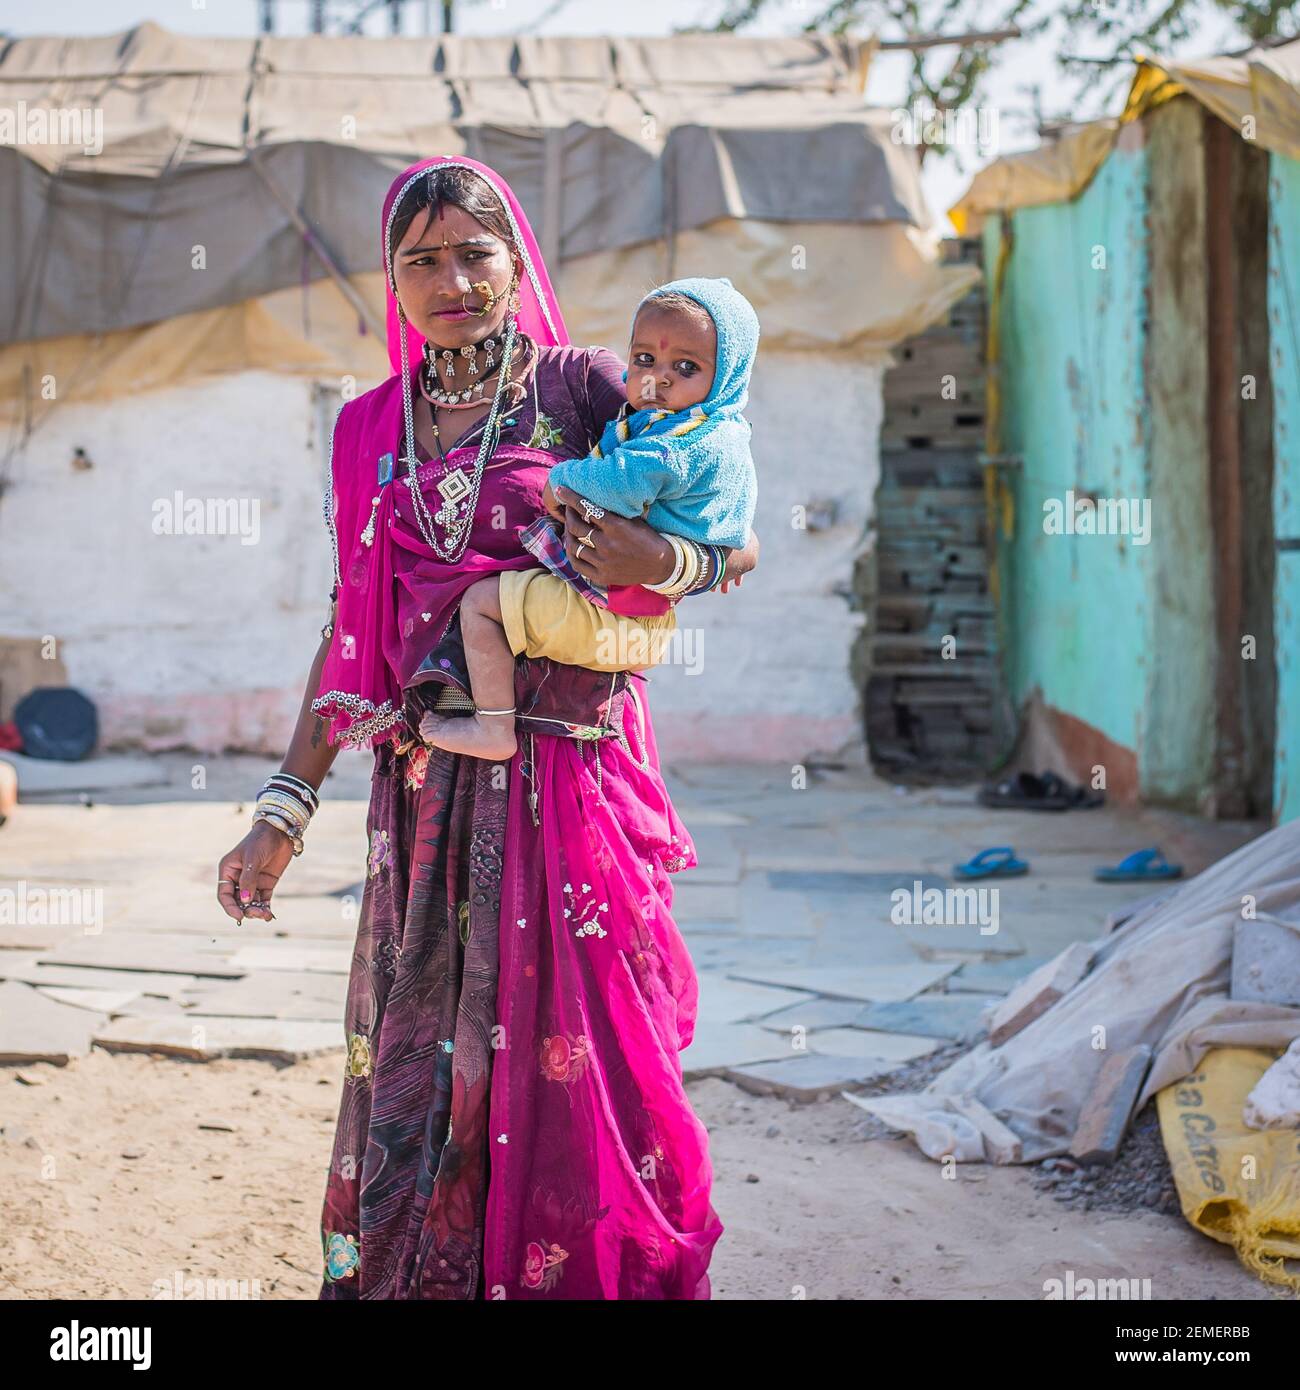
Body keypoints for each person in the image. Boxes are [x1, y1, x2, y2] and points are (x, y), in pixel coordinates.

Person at [215, 155, 759, 1300]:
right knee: (429, 1053)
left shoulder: (584, 389)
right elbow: (349, 626)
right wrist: (284, 804)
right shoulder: (368, 426)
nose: (451, 276)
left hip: (566, 778)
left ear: (516, 263)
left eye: (474, 250)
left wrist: (666, 559)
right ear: (393, 279)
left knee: (585, 1045)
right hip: (426, 790)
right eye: (422, 259)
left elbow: (731, 531)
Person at [417, 276, 759, 762]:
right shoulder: (707, 431)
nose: (656, 379)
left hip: (614, 610)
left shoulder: (674, 440)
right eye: (644, 360)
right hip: (629, 610)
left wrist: (559, 482)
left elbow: (617, 483)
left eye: (685, 367)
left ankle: (492, 727)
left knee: (481, 604)